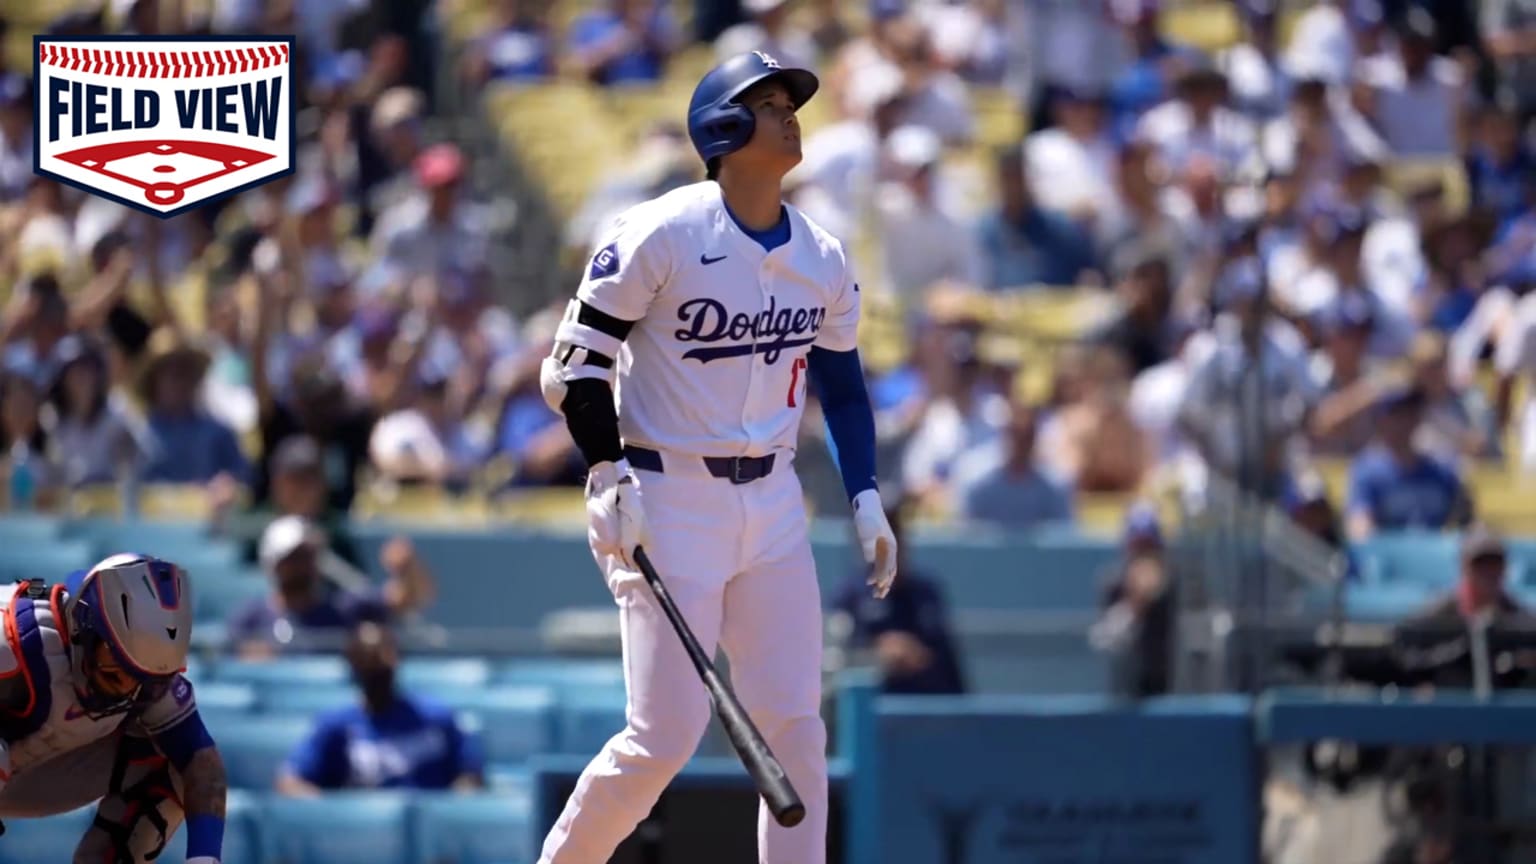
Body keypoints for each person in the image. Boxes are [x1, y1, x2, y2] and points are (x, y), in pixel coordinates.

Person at [534, 50, 895, 864]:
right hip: (666, 495)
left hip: (772, 501)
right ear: (723, 126)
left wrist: (866, 495)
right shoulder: (662, 231)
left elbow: (843, 388)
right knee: (663, 736)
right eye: (769, 104)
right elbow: (575, 365)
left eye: (791, 103)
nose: (790, 116)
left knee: (796, 726)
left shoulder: (821, 254)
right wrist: (606, 469)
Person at [0, 554, 227, 863]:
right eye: (115, 672)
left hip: (26, 772)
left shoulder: (146, 680)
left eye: (145, 680)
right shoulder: (13, 641)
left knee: (173, 757)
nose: (128, 690)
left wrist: (205, 857)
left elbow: (202, 763)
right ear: (85, 630)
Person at [277, 622, 482, 794]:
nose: (377, 670)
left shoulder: (436, 717)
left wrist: (454, 806)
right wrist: (330, 813)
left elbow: (470, 774)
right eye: (368, 662)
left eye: (384, 661)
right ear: (354, 668)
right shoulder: (335, 726)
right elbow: (291, 781)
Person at [831, 498, 964, 694]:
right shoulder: (849, 595)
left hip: (921, 702)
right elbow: (836, 661)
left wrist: (912, 651)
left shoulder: (926, 592)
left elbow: (947, 664)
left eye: (894, 532)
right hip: (867, 705)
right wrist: (877, 654)